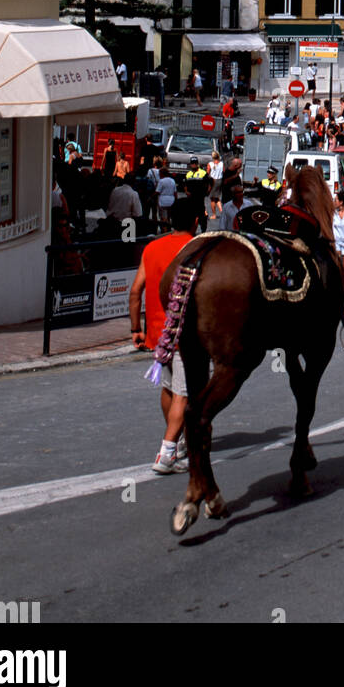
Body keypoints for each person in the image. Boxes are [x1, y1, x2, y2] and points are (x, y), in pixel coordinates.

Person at [129, 199, 200, 474]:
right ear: (195, 221)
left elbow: (135, 292)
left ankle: (179, 442)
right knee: (184, 394)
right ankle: (167, 452)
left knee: (169, 389)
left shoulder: (151, 247)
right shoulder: (195, 249)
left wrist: (136, 329)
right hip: (184, 334)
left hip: (157, 333)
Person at [184, 156, 210, 232]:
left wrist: (207, 192)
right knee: (191, 215)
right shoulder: (188, 174)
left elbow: (209, 183)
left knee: (202, 215)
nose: (194, 165)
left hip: (200, 198)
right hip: (191, 198)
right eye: (192, 164)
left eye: (195, 163)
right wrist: (186, 191)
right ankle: (191, 231)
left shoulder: (203, 173)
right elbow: (185, 184)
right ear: (190, 164)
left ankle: (203, 230)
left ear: (197, 164)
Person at [156, 161, 177, 227]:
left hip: (163, 201)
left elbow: (157, 192)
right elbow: (175, 192)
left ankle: (165, 231)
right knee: (169, 216)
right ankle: (169, 228)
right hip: (171, 201)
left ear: (162, 174)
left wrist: (151, 197)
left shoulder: (161, 181)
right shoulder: (172, 180)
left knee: (163, 217)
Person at [206, 150, 224, 220]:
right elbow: (224, 171)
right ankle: (222, 212)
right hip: (220, 180)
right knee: (217, 197)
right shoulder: (222, 164)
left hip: (213, 181)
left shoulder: (210, 164)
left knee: (212, 199)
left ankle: (214, 214)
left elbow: (207, 173)